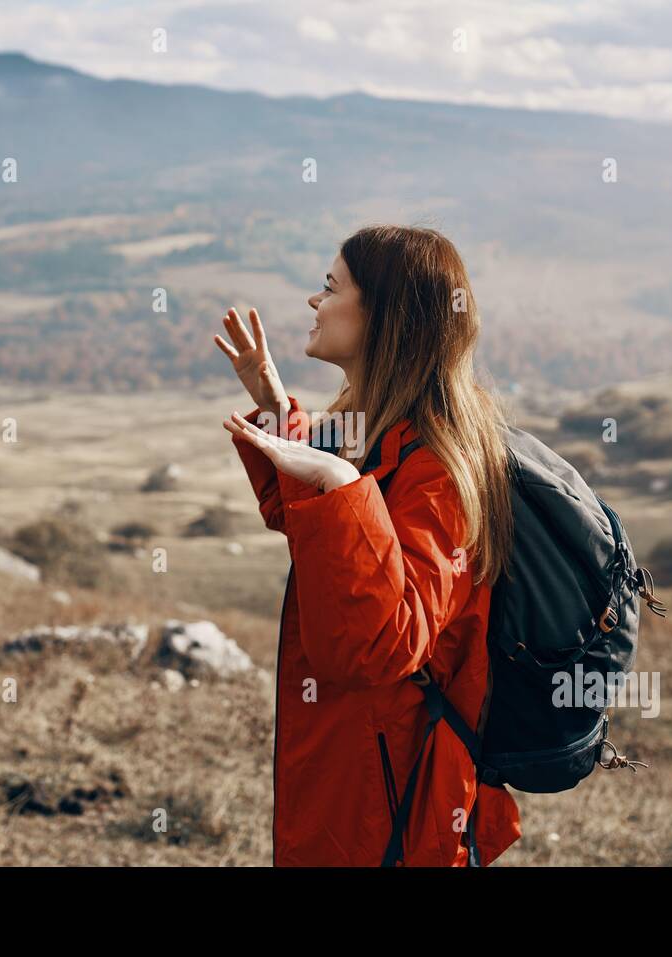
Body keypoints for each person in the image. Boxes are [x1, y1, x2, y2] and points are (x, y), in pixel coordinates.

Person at [214, 224, 522, 866]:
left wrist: (338, 483)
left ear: (387, 316)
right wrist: (276, 410)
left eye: (331, 287)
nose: (313, 302)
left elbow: (385, 644)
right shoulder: (381, 431)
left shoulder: (439, 467)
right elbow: (323, 537)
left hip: (397, 795)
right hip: (354, 766)